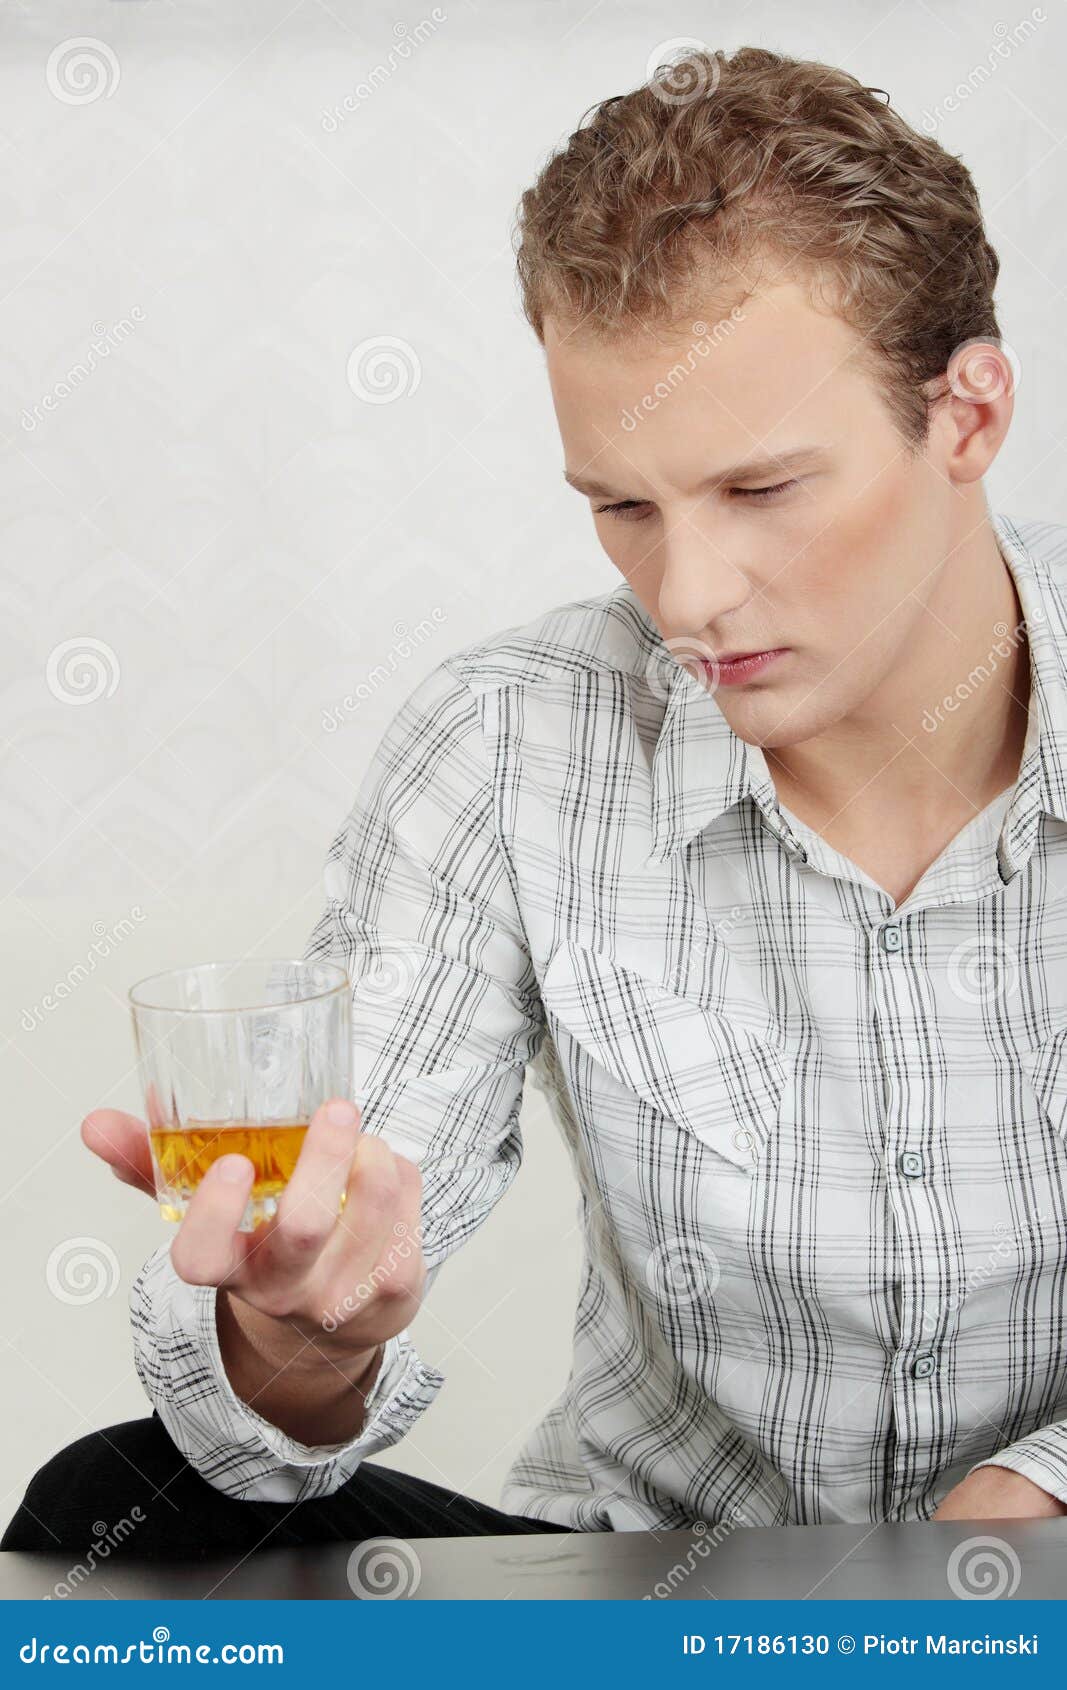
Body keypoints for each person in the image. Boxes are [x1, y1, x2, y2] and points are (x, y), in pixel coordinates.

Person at [7, 43, 1067, 1562]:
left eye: (762, 490)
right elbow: (353, 1210)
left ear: (966, 415)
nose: (688, 597)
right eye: (624, 507)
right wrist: (303, 1343)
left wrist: (1038, 1500)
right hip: (653, 1595)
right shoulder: (514, 739)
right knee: (115, 1509)